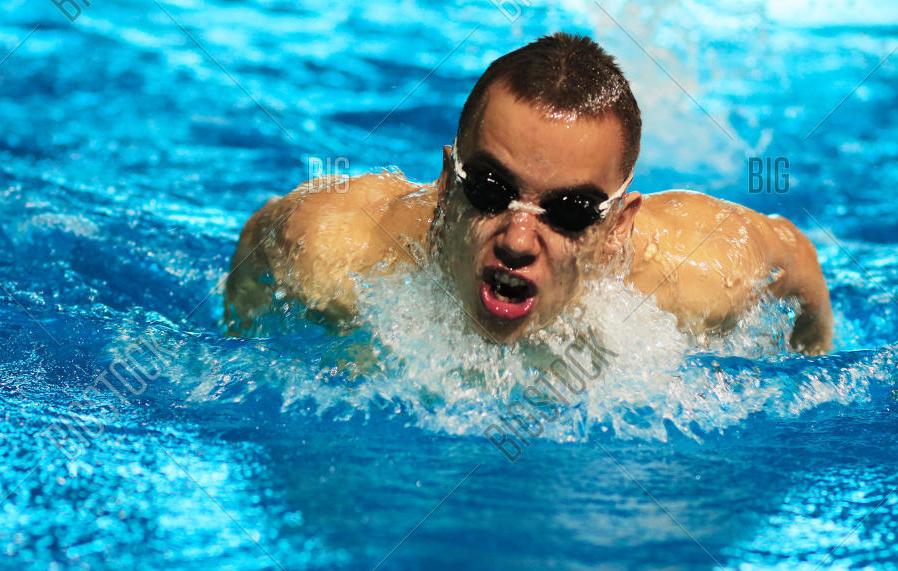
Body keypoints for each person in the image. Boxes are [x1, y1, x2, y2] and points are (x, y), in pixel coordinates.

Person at [224, 32, 833, 355]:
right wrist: (239, 340)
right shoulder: (338, 250)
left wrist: (808, 361)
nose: (518, 239)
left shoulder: (694, 272)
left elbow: (795, 255)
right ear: (445, 184)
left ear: (617, 227)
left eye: (568, 211)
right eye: (490, 189)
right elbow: (260, 233)